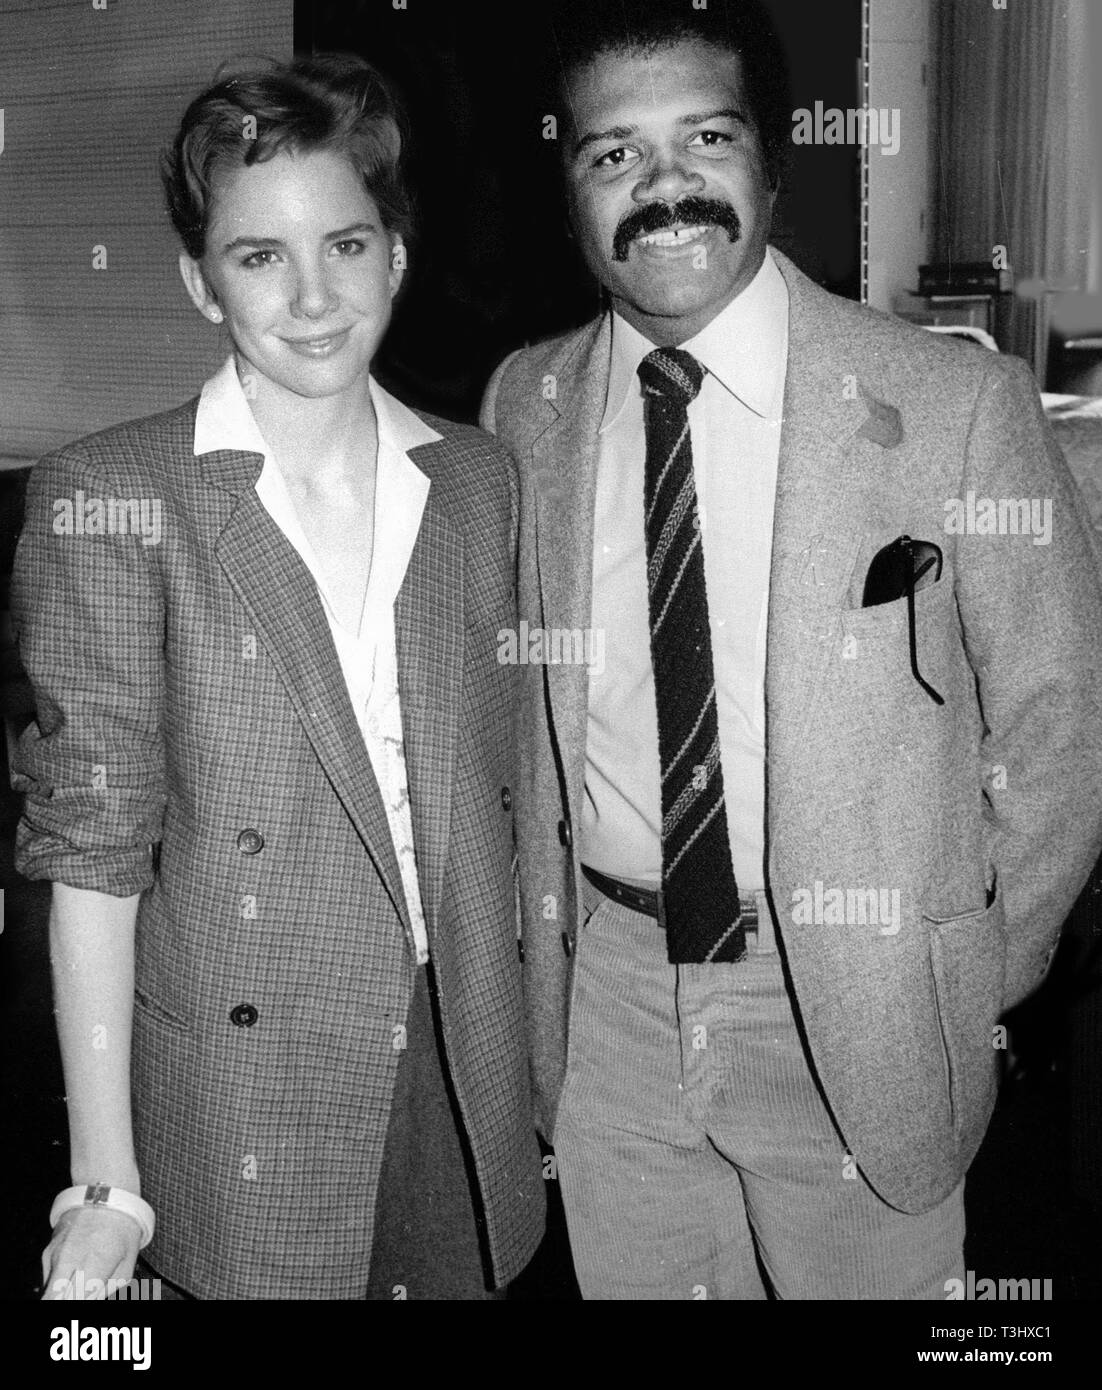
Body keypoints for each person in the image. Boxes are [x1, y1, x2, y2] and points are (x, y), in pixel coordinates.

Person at [481, 0, 1102, 1299]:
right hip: (608, 1006)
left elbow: (1063, 727)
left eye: (703, 138)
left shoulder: (951, 407)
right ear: (570, 191)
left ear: (768, 162)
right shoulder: (524, 404)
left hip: (855, 1006)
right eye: (611, 154)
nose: (661, 187)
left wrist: (963, 966)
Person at [14, 53, 544, 1300]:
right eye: (260, 257)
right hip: (247, 1082)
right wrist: (104, 1185)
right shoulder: (111, 498)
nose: (313, 295)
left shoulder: (477, 483)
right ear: (202, 283)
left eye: (346, 246)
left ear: (397, 256)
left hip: (458, 1062)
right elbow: (93, 855)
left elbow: (512, 801)